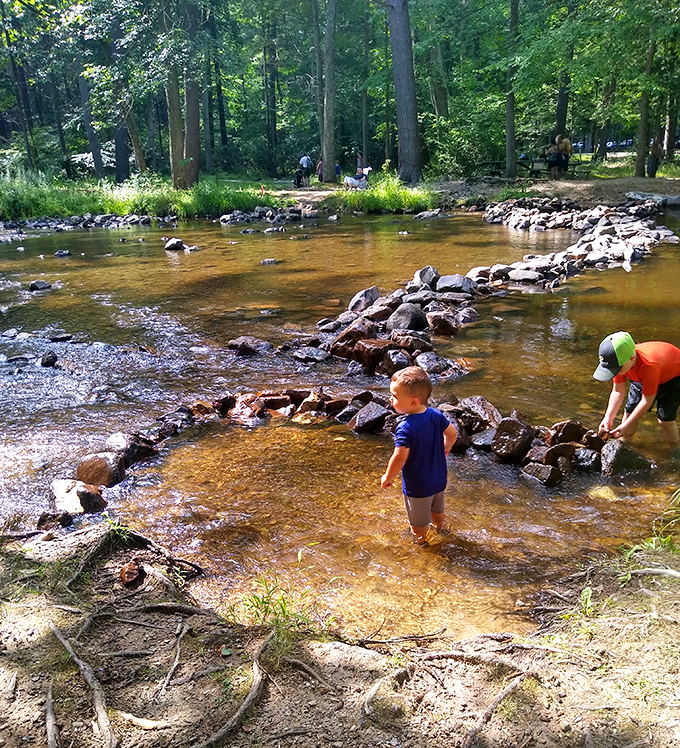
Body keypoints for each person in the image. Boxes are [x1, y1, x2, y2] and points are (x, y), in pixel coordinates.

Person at [381, 367, 458, 546]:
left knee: (418, 525)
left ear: (413, 401)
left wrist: (388, 476)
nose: (390, 399)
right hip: (439, 480)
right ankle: (442, 530)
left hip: (418, 486)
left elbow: (400, 457)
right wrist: (447, 446)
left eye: (395, 396)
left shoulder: (405, 427)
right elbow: (452, 433)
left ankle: (422, 543)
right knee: (437, 512)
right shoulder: (436, 415)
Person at [594, 331, 680, 449]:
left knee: (665, 420)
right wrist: (608, 417)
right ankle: (624, 446)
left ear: (632, 358)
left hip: (673, 377)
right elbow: (618, 391)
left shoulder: (648, 365)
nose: (615, 372)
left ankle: (674, 449)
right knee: (629, 414)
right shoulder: (619, 362)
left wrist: (625, 425)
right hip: (641, 377)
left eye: (616, 369)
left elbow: (646, 401)